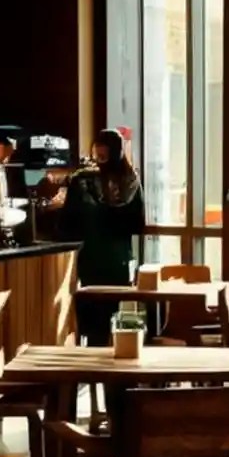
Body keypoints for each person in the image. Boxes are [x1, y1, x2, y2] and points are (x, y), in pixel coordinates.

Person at [61, 129, 146, 346]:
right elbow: (137, 224)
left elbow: (67, 223)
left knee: (90, 316)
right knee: (109, 315)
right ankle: (106, 362)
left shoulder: (82, 181)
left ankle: (93, 363)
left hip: (91, 256)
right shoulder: (131, 181)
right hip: (116, 258)